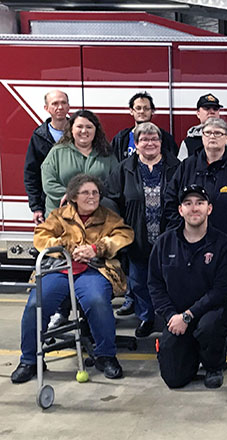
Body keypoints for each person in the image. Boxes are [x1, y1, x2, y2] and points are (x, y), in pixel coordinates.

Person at [10, 174, 134, 384]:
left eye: (95, 193)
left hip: (95, 269)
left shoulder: (109, 217)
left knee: (97, 301)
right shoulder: (59, 216)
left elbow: (124, 235)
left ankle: (105, 356)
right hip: (59, 269)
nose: (92, 197)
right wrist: (66, 248)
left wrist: (96, 248)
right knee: (35, 304)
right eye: (85, 193)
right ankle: (30, 360)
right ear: (73, 196)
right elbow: (41, 236)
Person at [164, 117, 227, 352]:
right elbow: (171, 198)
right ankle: (192, 328)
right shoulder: (187, 166)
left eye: (218, 133)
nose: (212, 137)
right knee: (194, 286)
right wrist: (179, 229)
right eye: (208, 133)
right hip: (191, 242)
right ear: (202, 137)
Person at [148, 185, 227, 389]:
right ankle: (192, 353)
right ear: (180, 210)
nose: (194, 208)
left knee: (208, 327)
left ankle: (214, 365)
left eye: (200, 203)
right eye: (188, 203)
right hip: (177, 316)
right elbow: (155, 284)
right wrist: (171, 316)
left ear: (209, 208)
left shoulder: (223, 244)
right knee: (174, 380)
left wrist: (188, 315)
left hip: (210, 313)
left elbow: (222, 290)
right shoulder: (164, 243)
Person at [106, 122, 180, 338]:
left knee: (170, 282)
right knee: (139, 283)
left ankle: (168, 318)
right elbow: (110, 200)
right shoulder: (124, 169)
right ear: (136, 144)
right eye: (144, 139)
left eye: (154, 139)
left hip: (169, 237)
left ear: (161, 142)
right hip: (137, 237)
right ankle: (146, 317)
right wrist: (120, 229)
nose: (150, 143)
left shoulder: (175, 166)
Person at [41, 109, 119, 216]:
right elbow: (48, 183)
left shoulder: (107, 154)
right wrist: (71, 195)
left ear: (96, 130)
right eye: (79, 126)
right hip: (62, 216)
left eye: (89, 127)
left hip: (98, 216)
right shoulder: (57, 152)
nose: (84, 131)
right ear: (71, 129)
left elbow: (116, 183)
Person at [24, 89, 70, 225]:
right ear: (46, 108)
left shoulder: (79, 132)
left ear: (69, 106)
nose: (60, 107)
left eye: (63, 103)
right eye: (55, 104)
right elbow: (32, 173)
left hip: (78, 201)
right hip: (50, 203)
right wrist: (36, 207)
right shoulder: (39, 136)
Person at [111, 91, 177, 161]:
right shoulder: (120, 139)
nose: (142, 111)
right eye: (138, 108)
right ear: (131, 111)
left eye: (146, 108)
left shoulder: (166, 138)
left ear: (152, 111)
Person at [177, 93, 227, 160]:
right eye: (207, 108)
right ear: (198, 113)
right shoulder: (188, 143)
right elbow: (182, 165)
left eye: (215, 109)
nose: (212, 112)